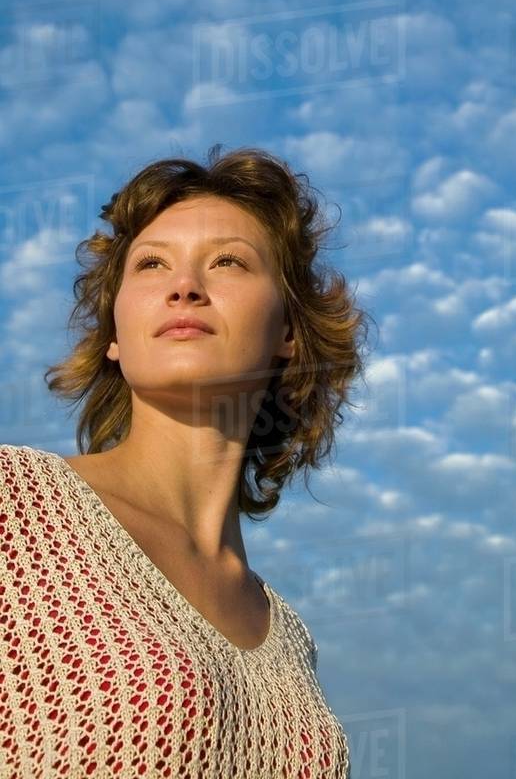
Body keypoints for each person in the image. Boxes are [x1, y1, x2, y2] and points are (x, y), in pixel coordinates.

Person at [0, 144, 374, 778]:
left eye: (227, 261)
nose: (183, 286)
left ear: (289, 330)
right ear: (114, 333)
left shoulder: (290, 639)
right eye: (150, 264)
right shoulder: (17, 505)